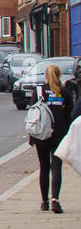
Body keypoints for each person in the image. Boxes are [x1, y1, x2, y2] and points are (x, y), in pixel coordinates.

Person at [30, 63, 74, 213]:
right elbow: (70, 116)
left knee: (44, 167)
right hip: (59, 136)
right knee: (56, 167)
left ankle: (44, 201)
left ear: (46, 76)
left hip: (41, 136)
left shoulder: (39, 91)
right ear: (59, 75)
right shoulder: (65, 92)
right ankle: (55, 199)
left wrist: (32, 136)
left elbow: (32, 115)